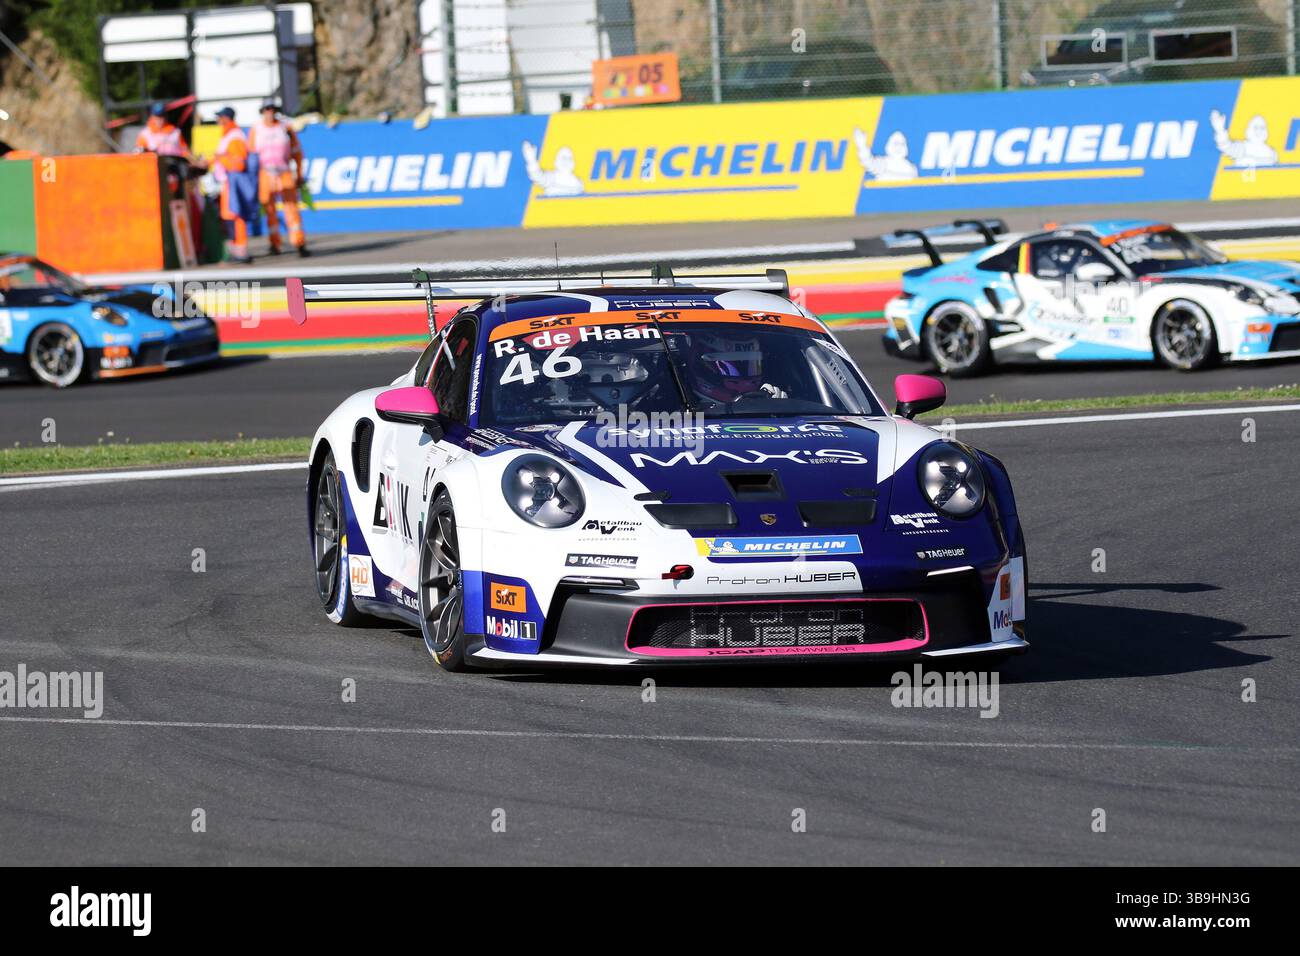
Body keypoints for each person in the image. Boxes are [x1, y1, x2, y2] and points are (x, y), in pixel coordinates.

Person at [248, 100, 309, 256]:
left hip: (284, 172)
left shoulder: (285, 127)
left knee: (291, 209)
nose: (269, 112)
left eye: (272, 109)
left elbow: (297, 152)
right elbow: (252, 155)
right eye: (266, 109)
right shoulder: (256, 129)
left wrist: (299, 173)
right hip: (265, 173)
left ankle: (299, 242)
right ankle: (275, 243)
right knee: (269, 210)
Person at [684, 330, 788, 404]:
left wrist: (776, 408)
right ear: (703, 367)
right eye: (729, 367)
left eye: (752, 365)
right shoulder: (678, 408)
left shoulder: (770, 399)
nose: (746, 380)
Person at [210, 107, 257, 264]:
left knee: (235, 215)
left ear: (226, 118)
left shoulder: (235, 136)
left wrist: (220, 158)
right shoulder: (228, 134)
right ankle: (235, 250)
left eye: (220, 117)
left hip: (234, 182)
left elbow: (238, 164)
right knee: (229, 216)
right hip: (227, 182)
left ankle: (241, 252)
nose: (218, 120)